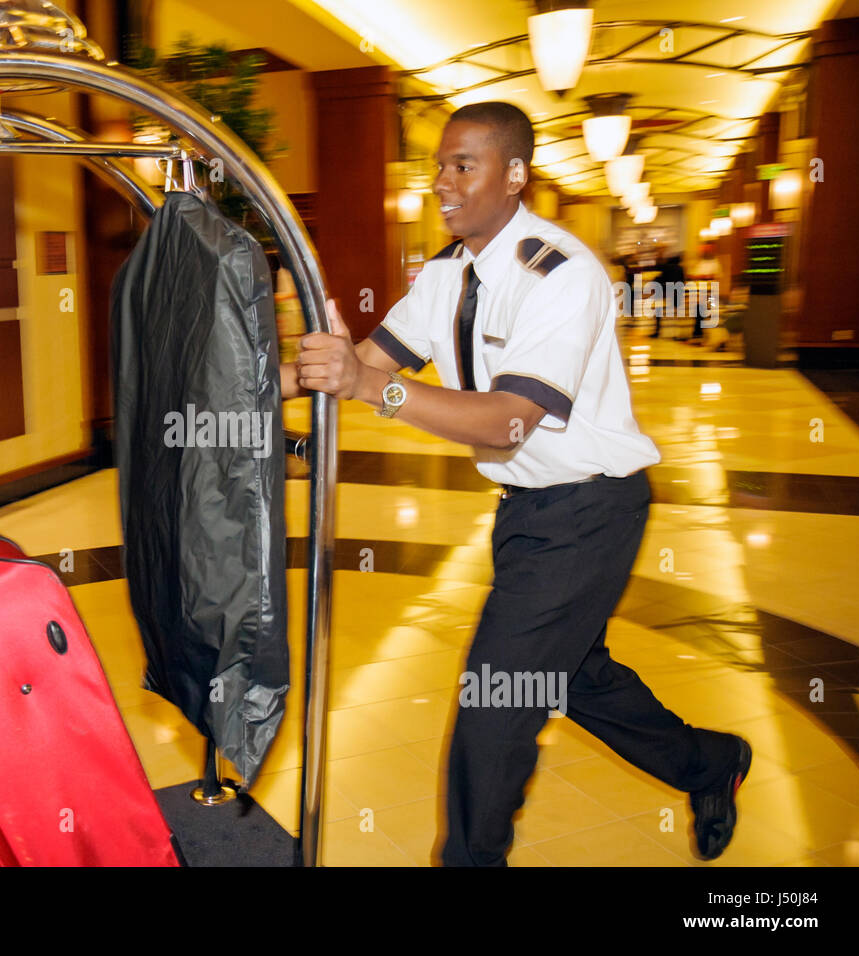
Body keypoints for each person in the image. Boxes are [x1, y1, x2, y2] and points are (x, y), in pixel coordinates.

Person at [280, 101, 750, 867]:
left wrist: (370, 389)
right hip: (527, 513)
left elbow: (506, 422)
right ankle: (711, 763)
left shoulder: (560, 275)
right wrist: (247, 388)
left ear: (516, 175)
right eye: (439, 166)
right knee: (574, 678)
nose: (441, 182)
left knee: (494, 705)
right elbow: (365, 359)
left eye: (462, 165)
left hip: (589, 512)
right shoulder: (444, 275)